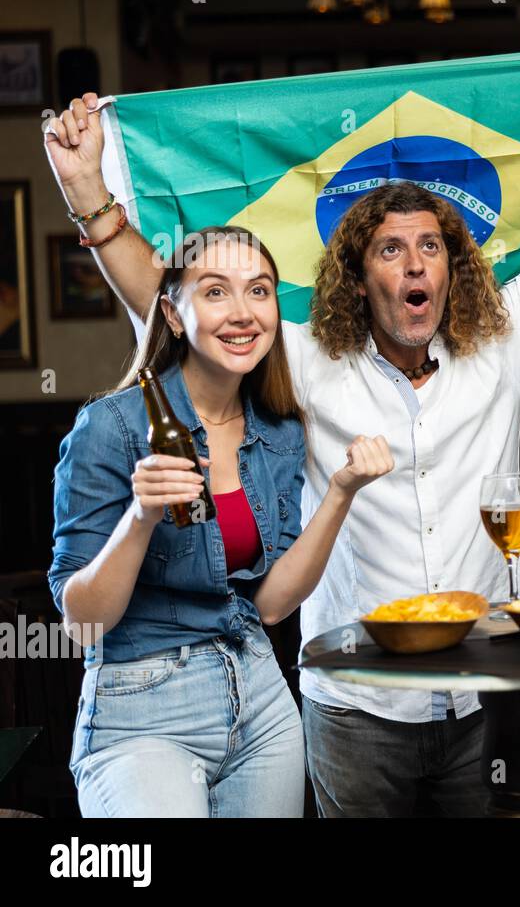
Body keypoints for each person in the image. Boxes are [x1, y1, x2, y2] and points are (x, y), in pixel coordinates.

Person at [44, 37, 520, 817]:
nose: (416, 262)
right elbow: (182, 297)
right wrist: (87, 189)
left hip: (497, 684)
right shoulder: (305, 362)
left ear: (453, 264)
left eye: (431, 245)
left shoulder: (503, 337)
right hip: (358, 700)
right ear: (360, 278)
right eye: (391, 249)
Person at [48, 227, 392, 817]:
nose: (242, 313)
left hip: (259, 696)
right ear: (173, 316)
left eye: (258, 292)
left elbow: (272, 604)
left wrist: (340, 493)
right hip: (142, 707)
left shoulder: (279, 432)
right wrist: (141, 515)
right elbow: (82, 624)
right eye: (215, 292)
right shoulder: (112, 428)